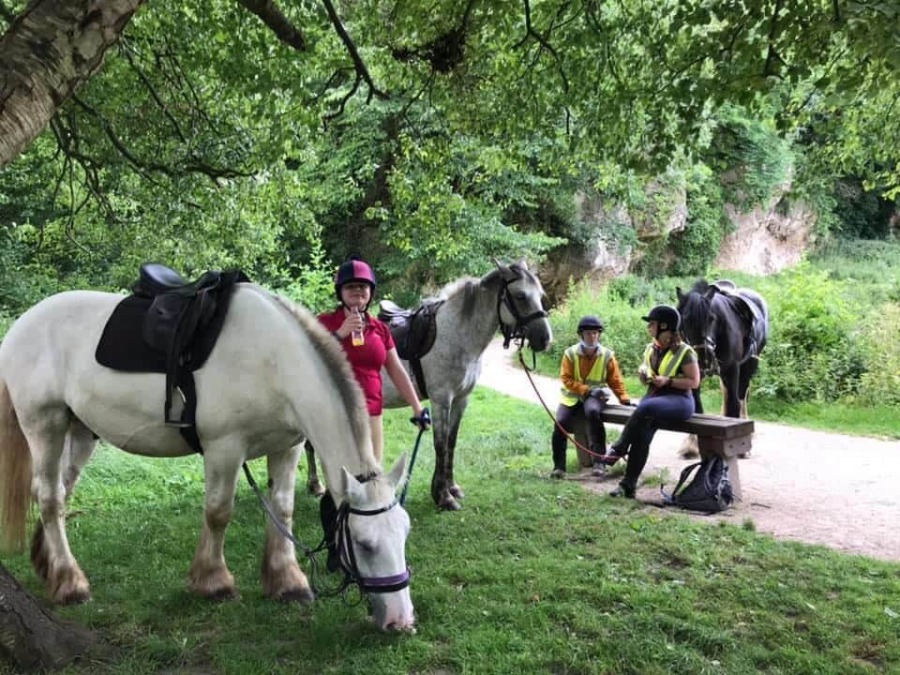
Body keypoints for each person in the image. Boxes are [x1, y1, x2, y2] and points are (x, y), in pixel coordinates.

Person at [317, 257, 430, 462]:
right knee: (343, 480)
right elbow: (311, 359)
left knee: (372, 474)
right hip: (335, 412)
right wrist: (340, 334)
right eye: (350, 286)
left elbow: (396, 370)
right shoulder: (325, 322)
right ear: (340, 292)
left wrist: (417, 407)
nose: (357, 291)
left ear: (371, 292)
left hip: (372, 412)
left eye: (363, 286)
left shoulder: (380, 329)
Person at [599, 304, 701, 498]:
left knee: (644, 407)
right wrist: (644, 375)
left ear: (664, 326)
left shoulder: (685, 352)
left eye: (652, 324)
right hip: (654, 399)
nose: (649, 328)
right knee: (641, 436)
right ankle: (628, 486)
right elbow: (647, 371)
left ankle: (618, 448)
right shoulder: (650, 349)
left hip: (679, 401)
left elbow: (694, 382)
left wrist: (669, 381)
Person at [550, 314, 632, 479]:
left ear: (599, 334)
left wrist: (625, 399)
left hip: (595, 397)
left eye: (595, 333)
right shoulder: (570, 354)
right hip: (572, 396)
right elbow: (566, 379)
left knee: (593, 413)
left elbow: (615, 380)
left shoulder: (607, 355)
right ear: (581, 335)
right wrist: (586, 390)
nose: (592, 336)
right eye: (588, 333)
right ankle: (559, 467)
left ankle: (599, 462)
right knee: (560, 423)